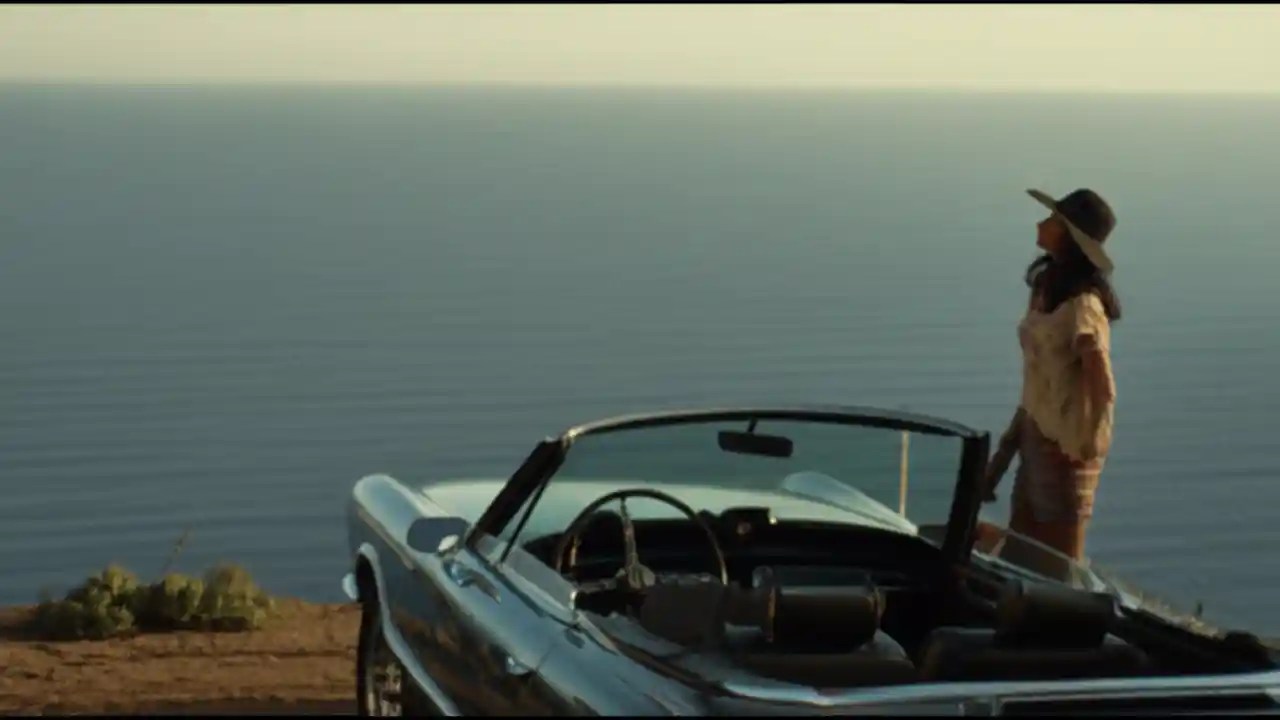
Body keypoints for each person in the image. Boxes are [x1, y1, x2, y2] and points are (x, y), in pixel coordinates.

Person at [983, 187, 1121, 565]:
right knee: (1020, 553)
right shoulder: (1045, 289)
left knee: (1060, 561)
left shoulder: (1083, 306)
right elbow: (1036, 385)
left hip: (1065, 451)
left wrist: (1086, 445)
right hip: (1036, 437)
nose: (1041, 224)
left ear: (1070, 237)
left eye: (1054, 220)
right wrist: (1004, 454)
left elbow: (1103, 387)